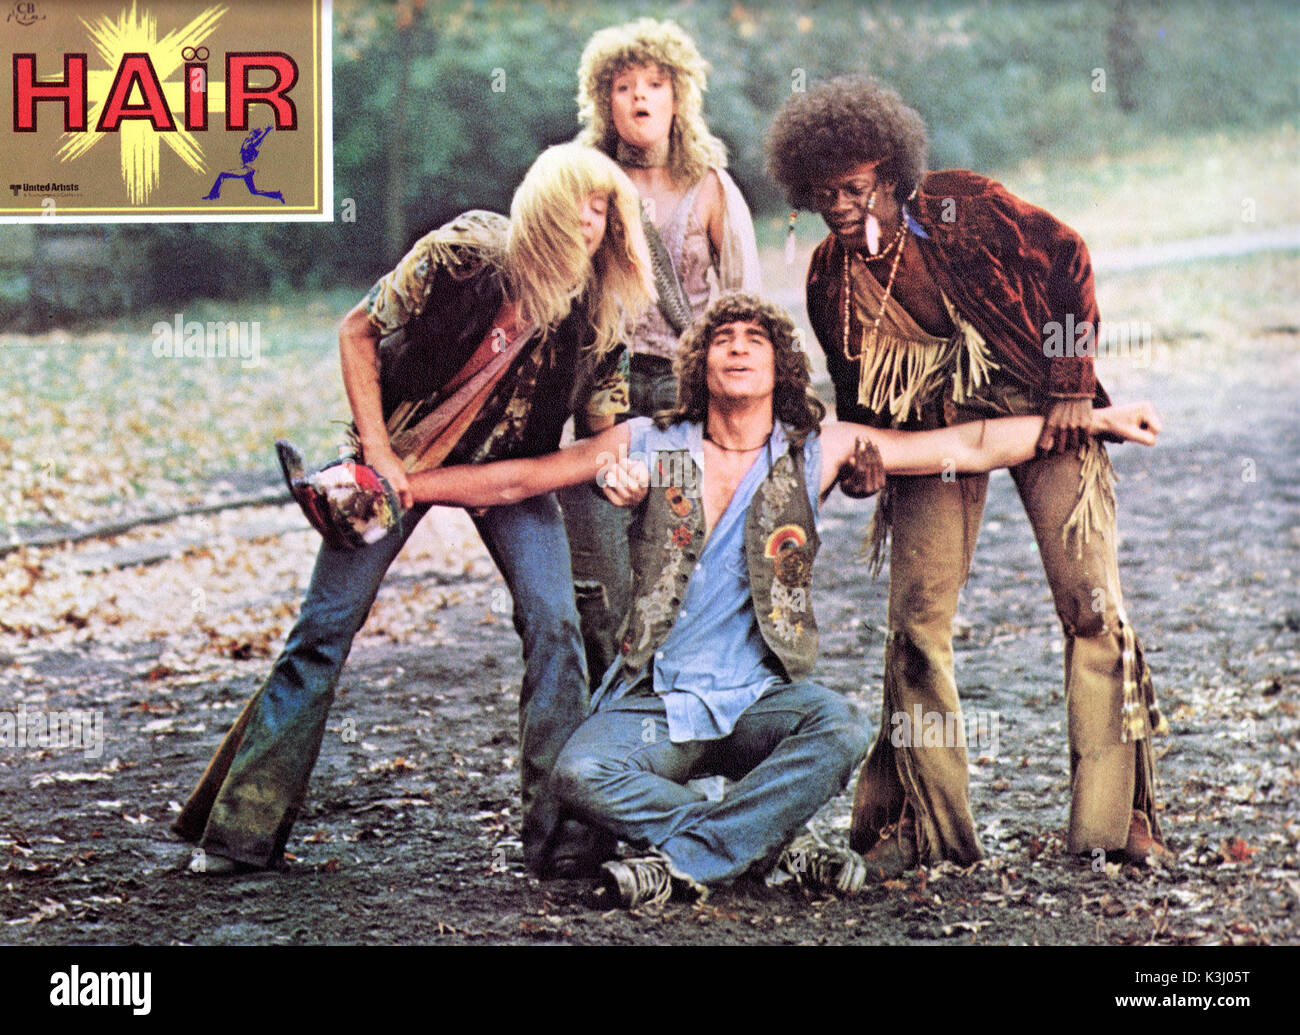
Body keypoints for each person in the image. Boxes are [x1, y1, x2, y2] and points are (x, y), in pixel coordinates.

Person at [406, 291, 1162, 906]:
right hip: (657, 704)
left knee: (840, 728)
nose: (737, 345)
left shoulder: (816, 449)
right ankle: (754, 846)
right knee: (580, 772)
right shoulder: (645, 442)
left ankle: (686, 860)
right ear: (699, 361)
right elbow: (518, 479)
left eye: (754, 338)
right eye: (723, 336)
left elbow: (965, 446)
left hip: (758, 705)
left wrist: (1092, 418)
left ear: (780, 366)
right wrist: (404, 483)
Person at [173, 143, 654, 878]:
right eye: (579, 202)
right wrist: (380, 456)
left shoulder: (600, 316)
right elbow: (356, 330)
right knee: (323, 630)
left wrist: (438, 489)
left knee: (555, 623)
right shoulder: (464, 254)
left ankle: (563, 841)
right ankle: (239, 834)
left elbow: (596, 450)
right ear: (543, 204)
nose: (592, 220)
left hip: (508, 473)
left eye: (605, 207)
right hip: (401, 446)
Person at [765, 76, 1171, 879]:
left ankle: (1120, 817)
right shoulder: (826, 281)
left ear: (887, 170)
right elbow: (858, 409)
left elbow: (1068, 258)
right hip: (933, 433)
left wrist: (1067, 385)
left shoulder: (960, 206)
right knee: (916, 622)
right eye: (820, 196)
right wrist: (865, 471)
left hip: (1041, 404)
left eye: (851, 189)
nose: (839, 209)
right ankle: (923, 823)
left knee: (1092, 603)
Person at [560, 17, 762, 686]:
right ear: (603, 100)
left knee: (674, 578)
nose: (640, 97)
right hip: (600, 401)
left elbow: (745, 310)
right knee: (596, 588)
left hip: (685, 403)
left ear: (679, 98)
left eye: (655, 83)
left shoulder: (711, 187)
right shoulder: (580, 183)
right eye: (623, 85)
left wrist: (739, 421)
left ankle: (677, 751)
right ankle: (600, 745)